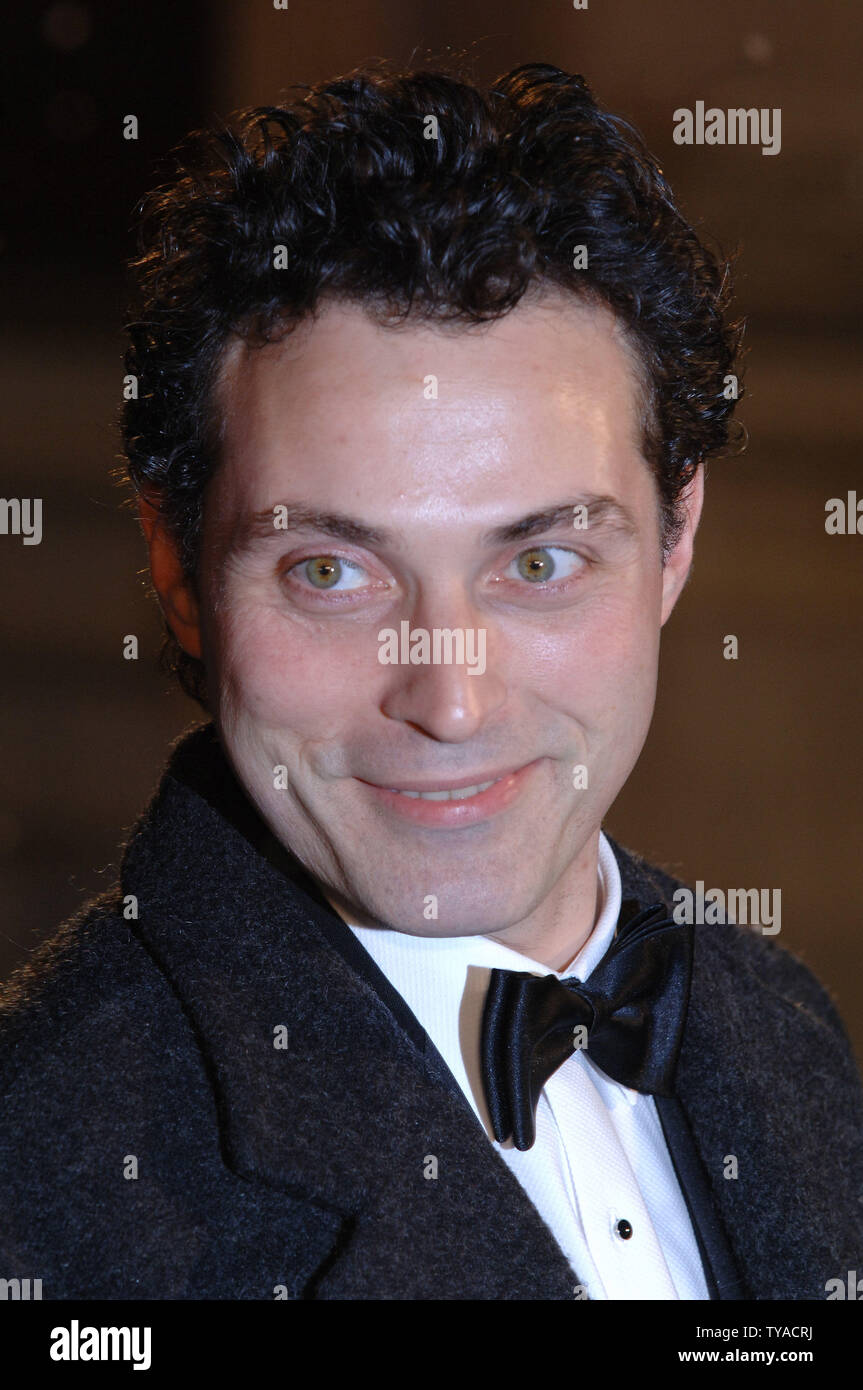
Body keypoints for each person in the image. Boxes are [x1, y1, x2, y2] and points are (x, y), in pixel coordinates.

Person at [1, 61, 861, 1302]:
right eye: (331, 574)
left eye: (539, 559)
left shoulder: (780, 1024)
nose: (448, 701)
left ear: (674, 540)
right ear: (176, 569)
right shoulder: (49, 1189)